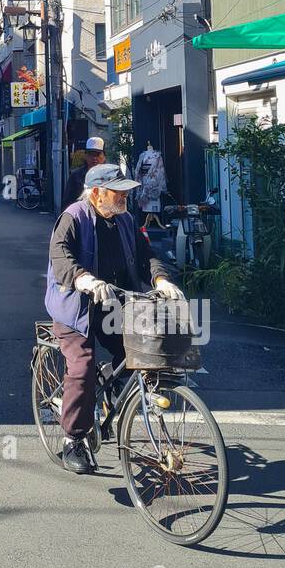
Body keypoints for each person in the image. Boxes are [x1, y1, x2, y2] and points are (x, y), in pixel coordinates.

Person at [45, 162, 184, 474]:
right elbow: (60, 257)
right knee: (82, 366)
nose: (124, 197)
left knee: (141, 350)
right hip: (75, 308)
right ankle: (73, 439)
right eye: (117, 192)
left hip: (113, 302)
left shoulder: (124, 220)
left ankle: (107, 387)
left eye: (125, 192)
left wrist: (162, 280)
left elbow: (146, 254)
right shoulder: (73, 216)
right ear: (97, 193)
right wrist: (84, 279)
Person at [62, 136, 107, 211]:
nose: (94, 158)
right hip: (82, 216)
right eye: (91, 154)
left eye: (98, 154)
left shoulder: (112, 175)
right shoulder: (76, 176)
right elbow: (67, 202)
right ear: (85, 156)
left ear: (104, 156)